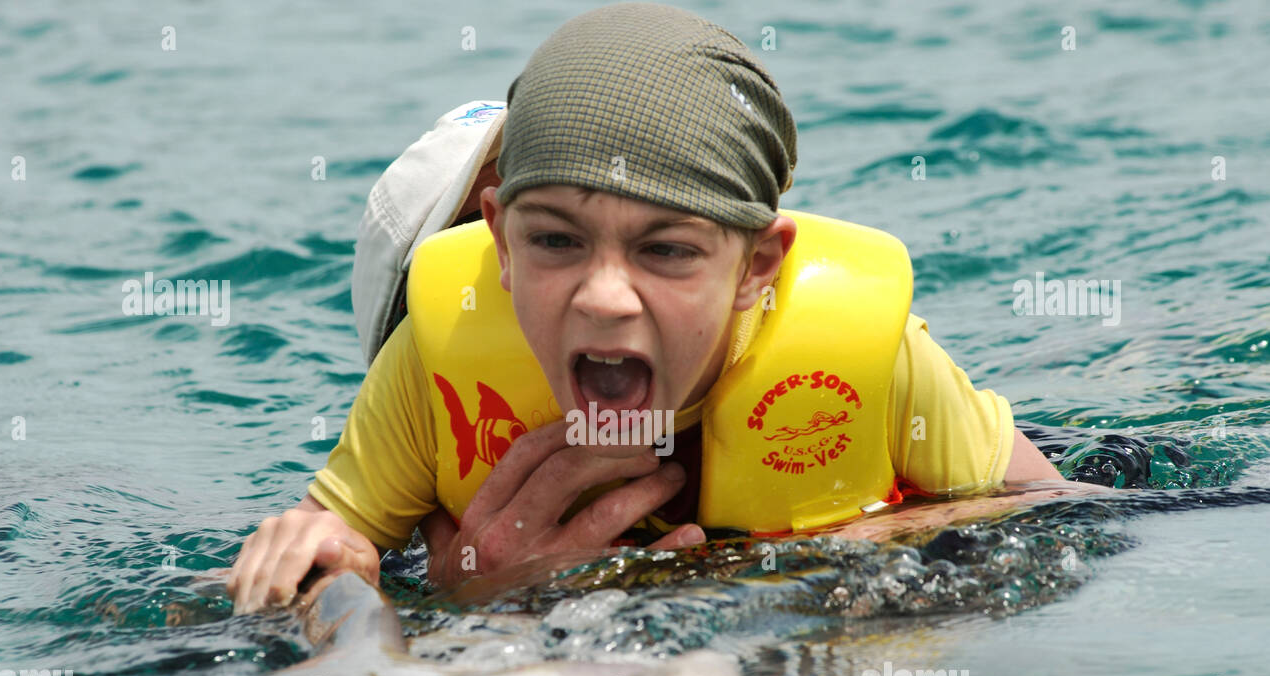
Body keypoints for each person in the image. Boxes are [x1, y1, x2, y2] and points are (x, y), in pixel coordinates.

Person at [228, 2, 1079, 615]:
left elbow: (1066, 528)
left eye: (664, 247)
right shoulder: (429, 385)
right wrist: (460, 595)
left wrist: (837, 562)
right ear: (498, 246)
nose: (599, 298)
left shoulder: (867, 362)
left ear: (755, 268)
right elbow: (305, 557)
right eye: (551, 241)